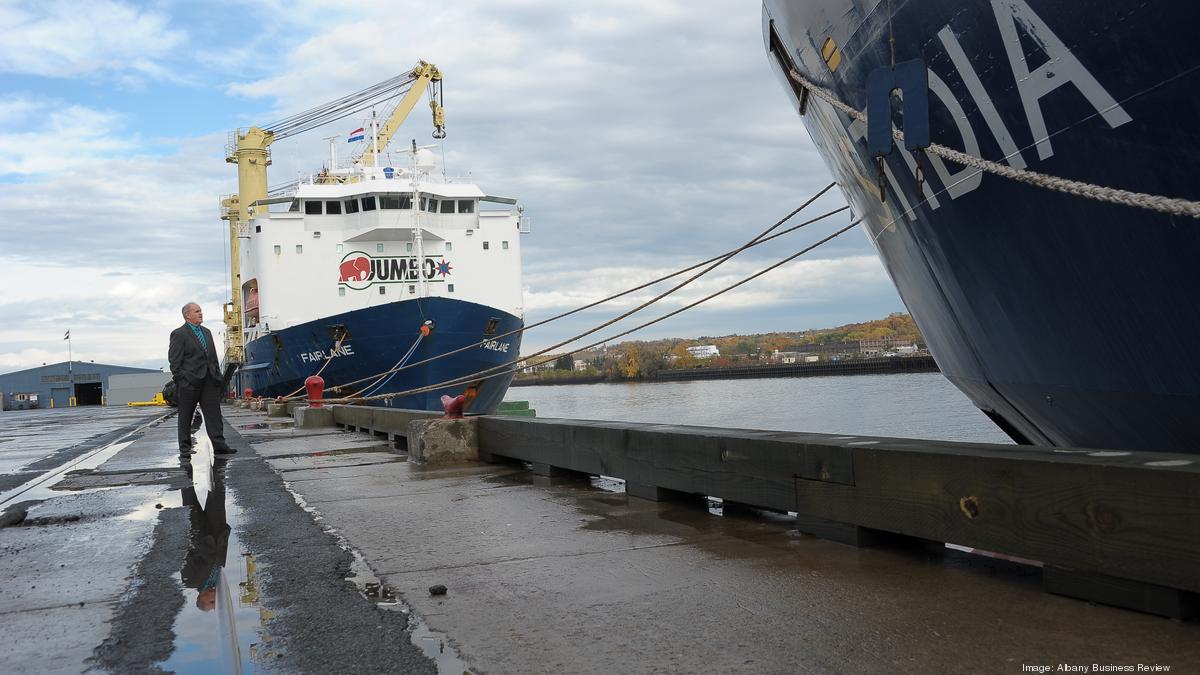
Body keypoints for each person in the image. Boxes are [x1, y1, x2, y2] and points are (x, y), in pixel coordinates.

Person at [168, 302, 235, 455]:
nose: (201, 313)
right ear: (187, 315)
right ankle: (185, 449)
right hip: (190, 383)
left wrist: (217, 376)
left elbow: (211, 357)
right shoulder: (179, 334)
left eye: (201, 311)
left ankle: (220, 446)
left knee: (214, 415)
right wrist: (182, 380)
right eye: (197, 311)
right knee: (185, 415)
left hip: (210, 381)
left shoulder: (207, 332)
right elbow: (174, 361)